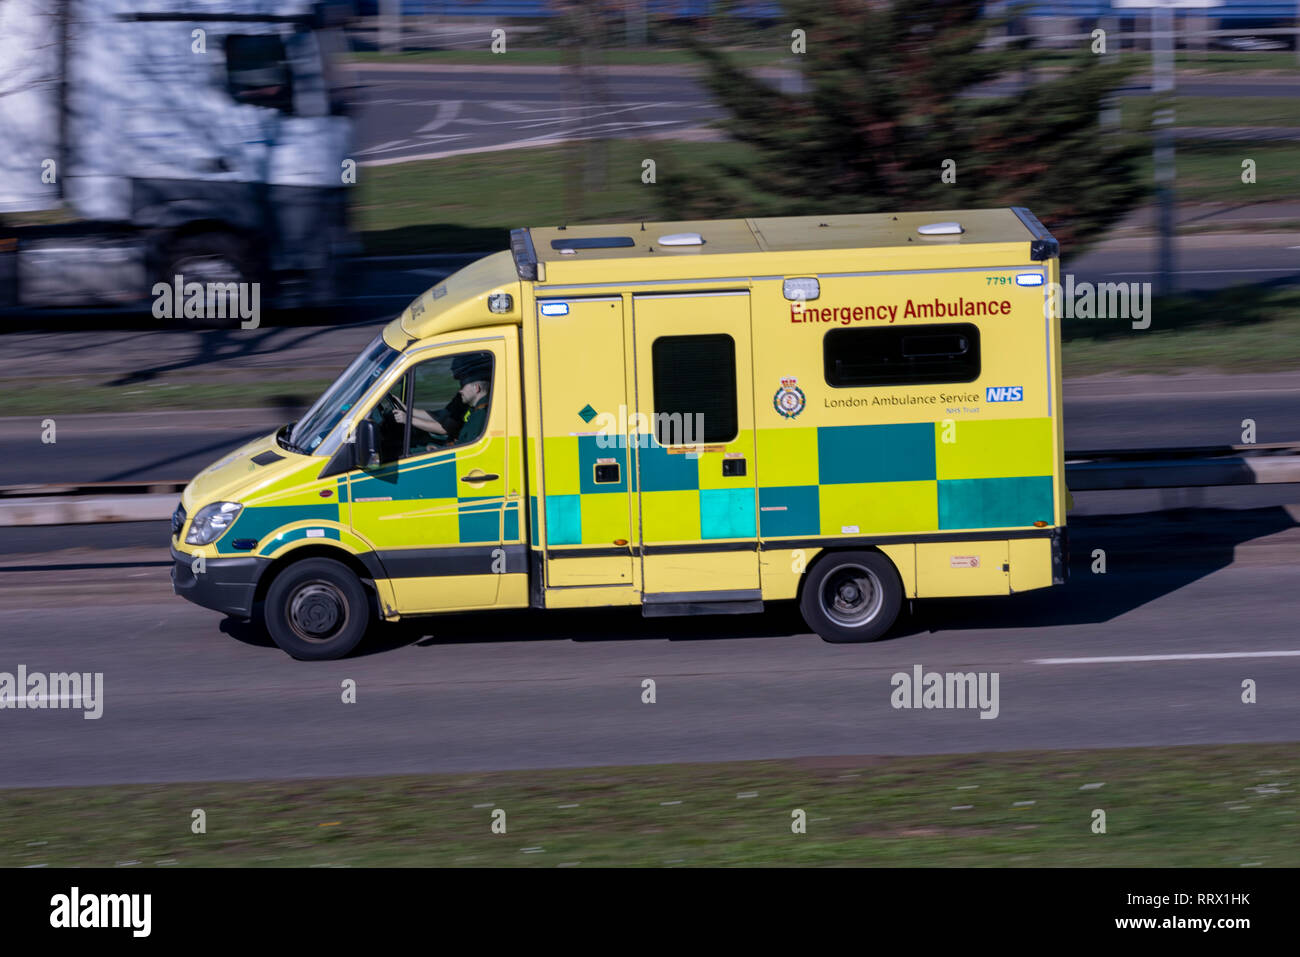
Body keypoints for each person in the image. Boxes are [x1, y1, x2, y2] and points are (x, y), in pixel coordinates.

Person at [394, 353, 491, 448]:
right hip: (451, 445)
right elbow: (441, 416)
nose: (460, 390)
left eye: (463, 383)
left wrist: (408, 419)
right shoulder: (465, 400)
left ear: (476, 388)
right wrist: (406, 409)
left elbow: (444, 428)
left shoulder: (481, 411)